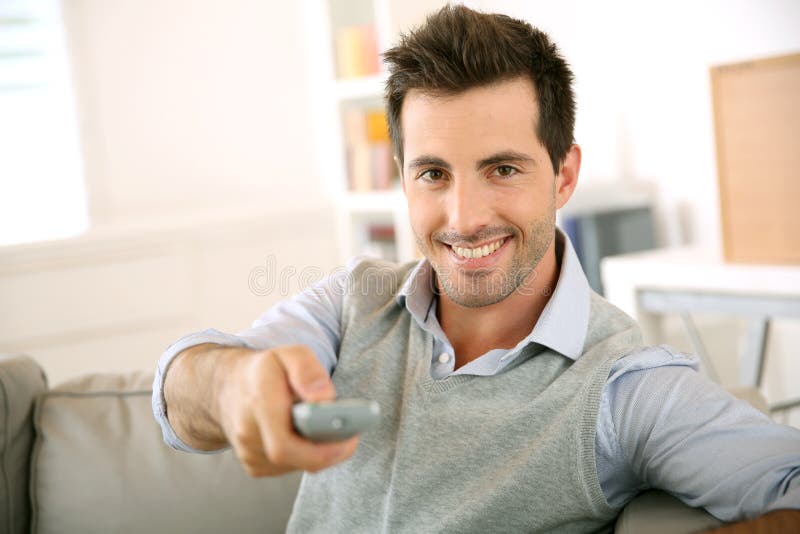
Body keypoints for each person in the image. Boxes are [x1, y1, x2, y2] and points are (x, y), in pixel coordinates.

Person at [153, 5, 800, 532]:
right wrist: (231, 385)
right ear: (403, 180)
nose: (463, 218)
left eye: (503, 169)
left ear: (564, 175)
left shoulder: (625, 388)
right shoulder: (351, 303)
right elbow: (179, 397)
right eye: (433, 174)